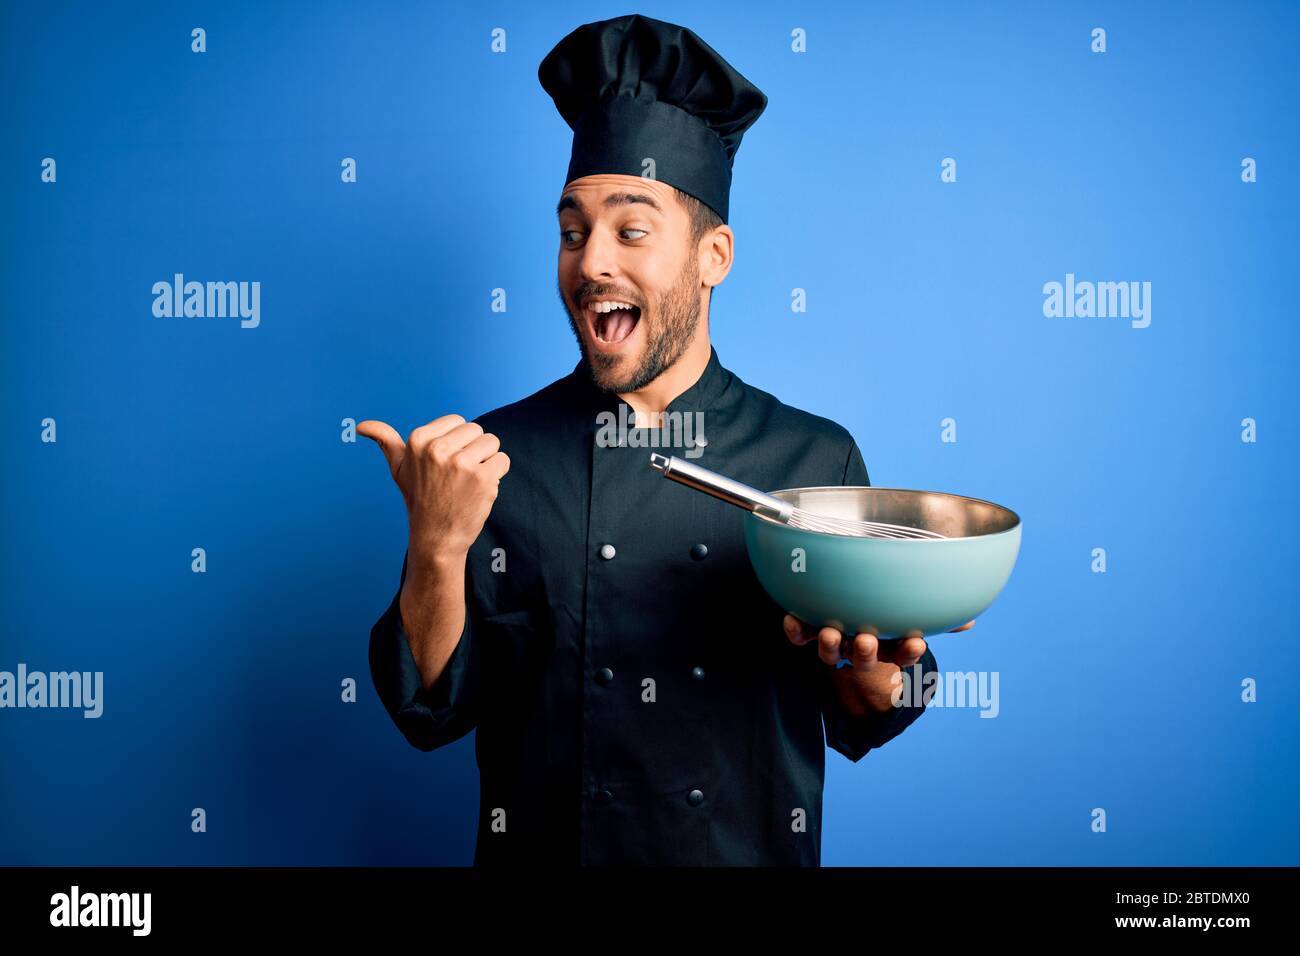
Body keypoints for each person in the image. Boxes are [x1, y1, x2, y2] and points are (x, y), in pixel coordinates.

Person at [358, 13, 957, 867]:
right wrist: (436, 545)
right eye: (572, 231)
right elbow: (430, 710)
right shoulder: (491, 460)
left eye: (630, 230)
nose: (591, 261)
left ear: (714, 256)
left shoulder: (813, 461)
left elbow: (875, 713)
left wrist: (875, 663)